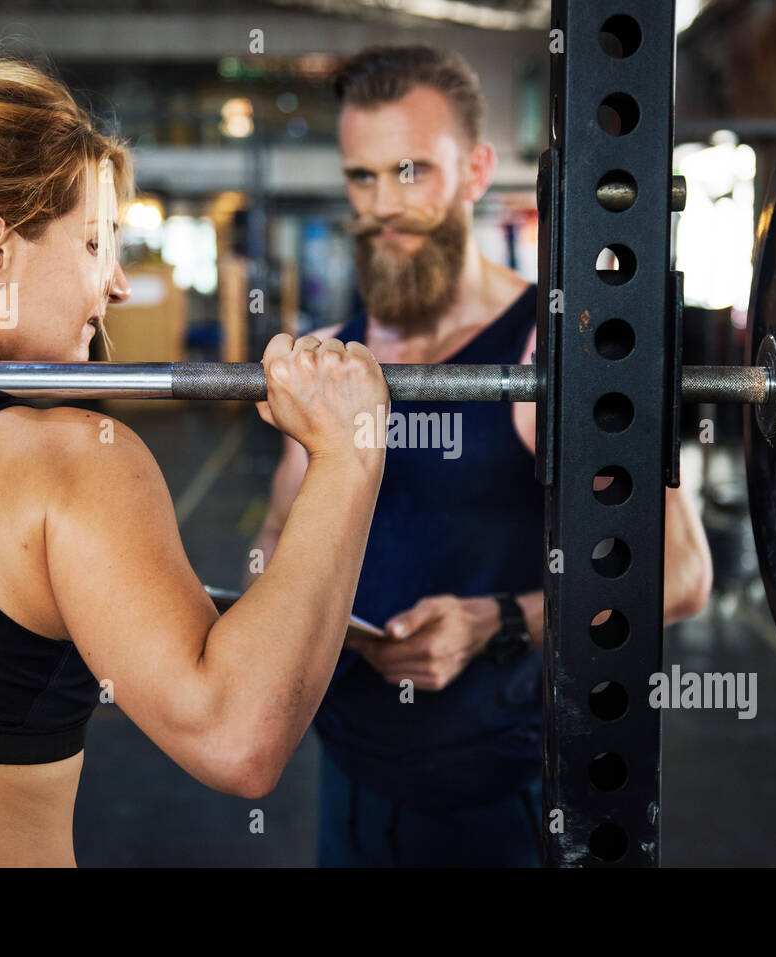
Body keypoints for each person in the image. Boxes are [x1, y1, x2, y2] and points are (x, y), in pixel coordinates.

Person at [0, 59, 388, 866]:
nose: (117, 284)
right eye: (96, 243)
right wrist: (348, 456)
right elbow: (239, 735)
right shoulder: (75, 465)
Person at [249, 45, 713, 867]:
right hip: (348, 771)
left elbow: (679, 571)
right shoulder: (331, 353)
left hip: (495, 792)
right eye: (363, 177)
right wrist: (264, 591)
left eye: (411, 170)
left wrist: (495, 622)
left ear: (477, 170)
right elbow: (280, 527)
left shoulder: (558, 350)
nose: (384, 204)